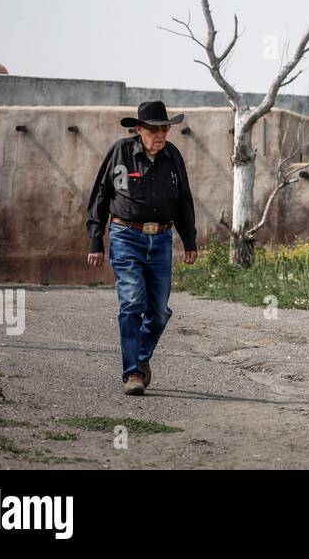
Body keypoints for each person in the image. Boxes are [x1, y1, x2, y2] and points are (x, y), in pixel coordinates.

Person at [85, 100, 198, 395]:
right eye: (154, 129)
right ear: (139, 129)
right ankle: (132, 372)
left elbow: (184, 199)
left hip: (161, 240)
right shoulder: (121, 152)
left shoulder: (173, 156)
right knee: (133, 303)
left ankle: (141, 358)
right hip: (126, 236)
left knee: (159, 312)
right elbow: (100, 194)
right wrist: (96, 239)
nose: (161, 135)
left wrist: (190, 240)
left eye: (165, 129)